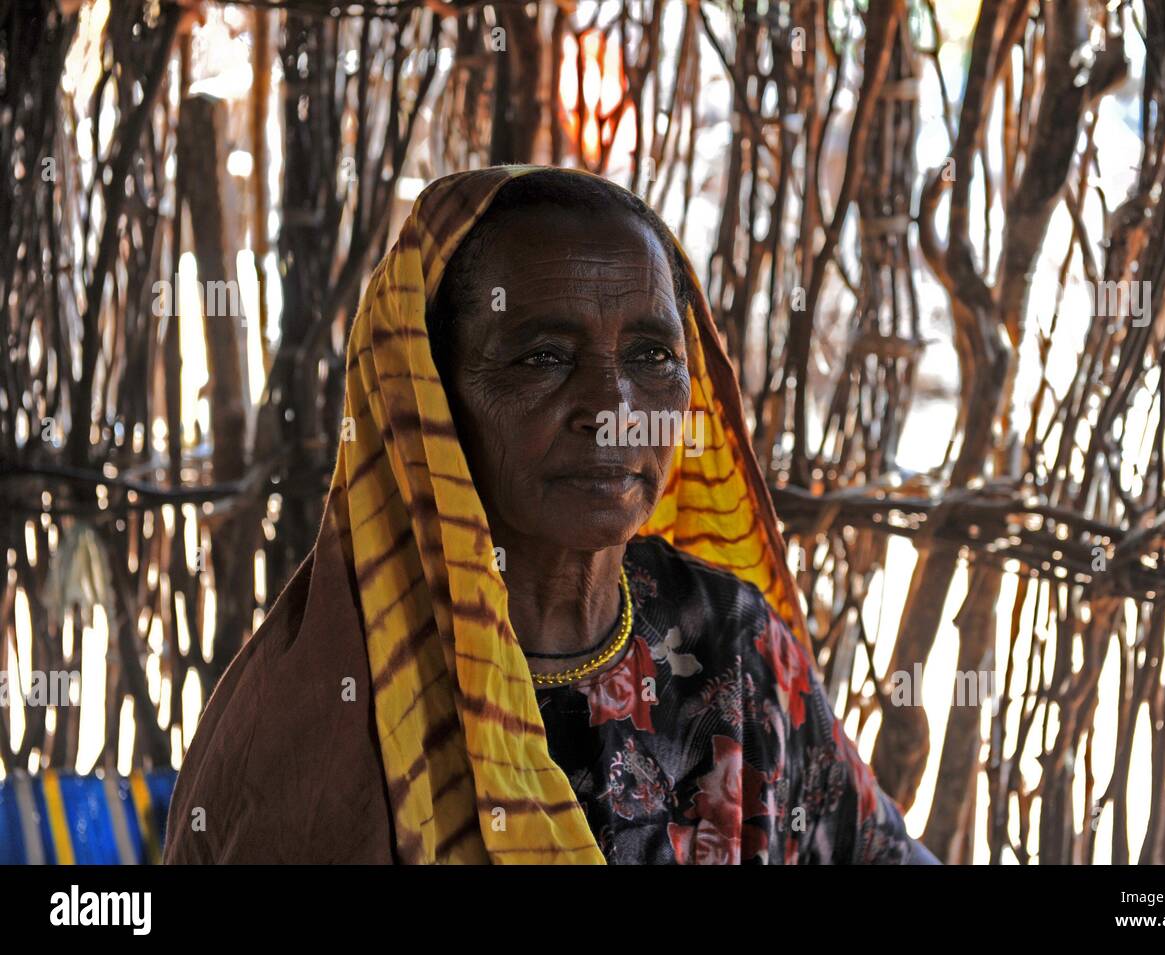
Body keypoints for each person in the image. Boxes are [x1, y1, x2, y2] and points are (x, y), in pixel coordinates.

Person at [163, 164, 939, 865]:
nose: (612, 410)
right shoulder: (334, 707)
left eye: (651, 356)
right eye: (542, 357)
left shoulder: (730, 642)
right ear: (425, 395)